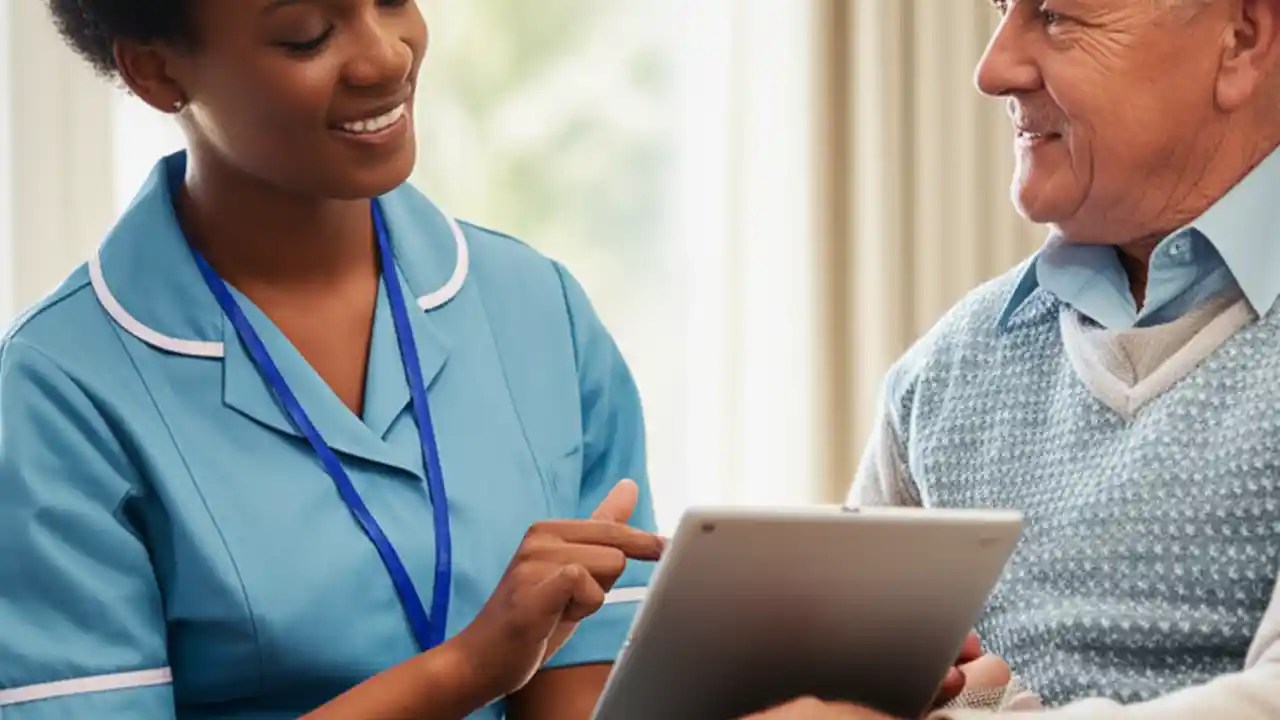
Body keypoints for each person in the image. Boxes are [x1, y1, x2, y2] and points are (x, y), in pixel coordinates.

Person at [0, 1, 664, 718]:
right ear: (157, 70)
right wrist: (468, 667)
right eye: (307, 35)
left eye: (392, 0)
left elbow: (590, 695)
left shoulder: (541, 313)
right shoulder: (58, 393)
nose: (387, 58)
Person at [835, 0, 1280, 717]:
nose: (991, 69)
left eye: (1057, 16)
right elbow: (839, 683)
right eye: (1002, 8)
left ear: (1242, 40)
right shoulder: (944, 374)